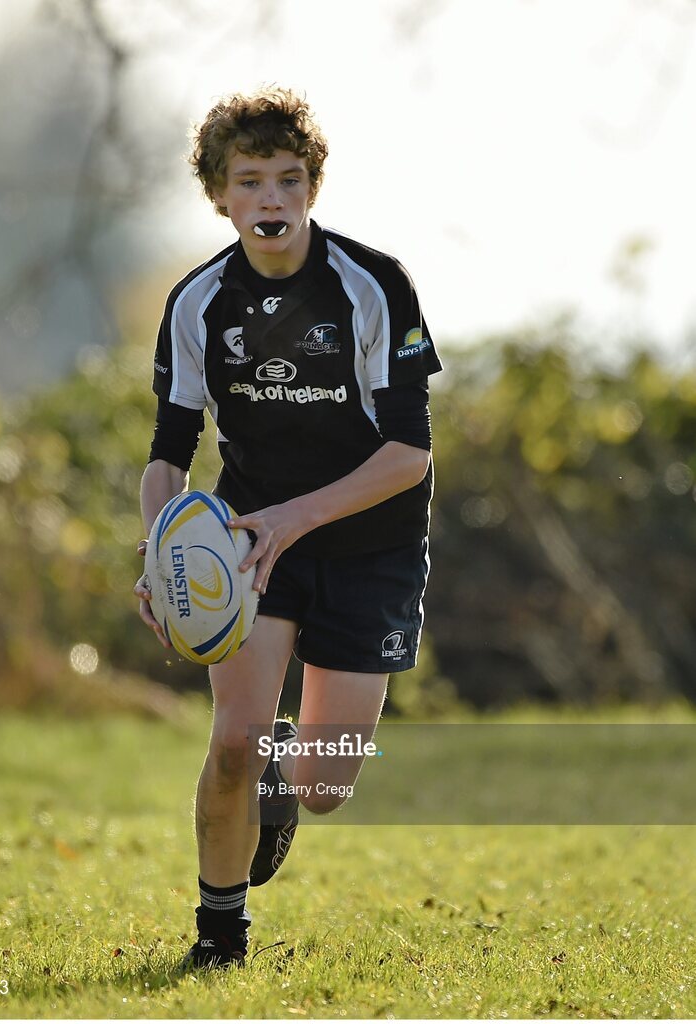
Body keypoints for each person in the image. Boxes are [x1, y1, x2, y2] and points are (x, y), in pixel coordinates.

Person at [134, 87, 442, 969]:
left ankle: (284, 775)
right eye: (250, 181)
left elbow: (409, 452)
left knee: (324, 785)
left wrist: (291, 519)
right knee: (231, 740)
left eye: (288, 178)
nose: (271, 198)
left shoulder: (373, 284)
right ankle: (218, 936)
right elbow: (168, 451)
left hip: (368, 544)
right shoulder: (197, 302)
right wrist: (162, 553)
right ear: (219, 195)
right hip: (246, 548)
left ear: (312, 187)